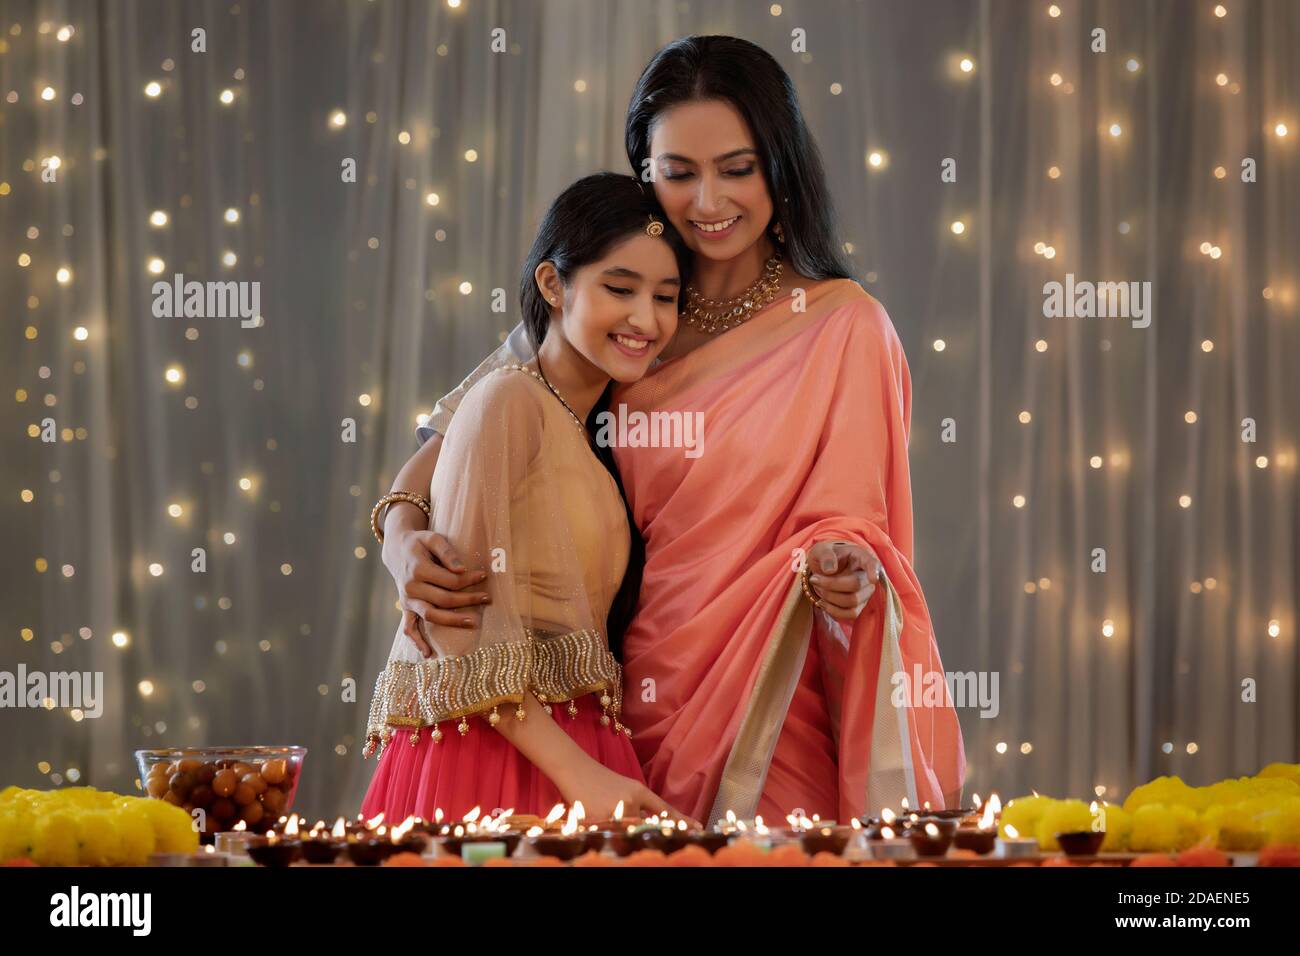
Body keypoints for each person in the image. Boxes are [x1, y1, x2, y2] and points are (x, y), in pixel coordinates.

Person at [381, 36, 967, 825]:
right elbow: (457, 437)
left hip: (771, 691)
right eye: (678, 172)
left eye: (737, 168)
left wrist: (849, 567)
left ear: (780, 165)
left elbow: (858, 523)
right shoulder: (621, 312)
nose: (708, 201)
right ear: (643, 171)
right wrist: (402, 540)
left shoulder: (843, 327)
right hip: (624, 693)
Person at [360, 173, 696, 823]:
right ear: (552, 284)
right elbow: (456, 630)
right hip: (497, 753)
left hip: (574, 752)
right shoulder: (510, 400)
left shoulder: (590, 433)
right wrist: (582, 777)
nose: (645, 319)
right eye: (619, 289)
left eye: (666, 297)